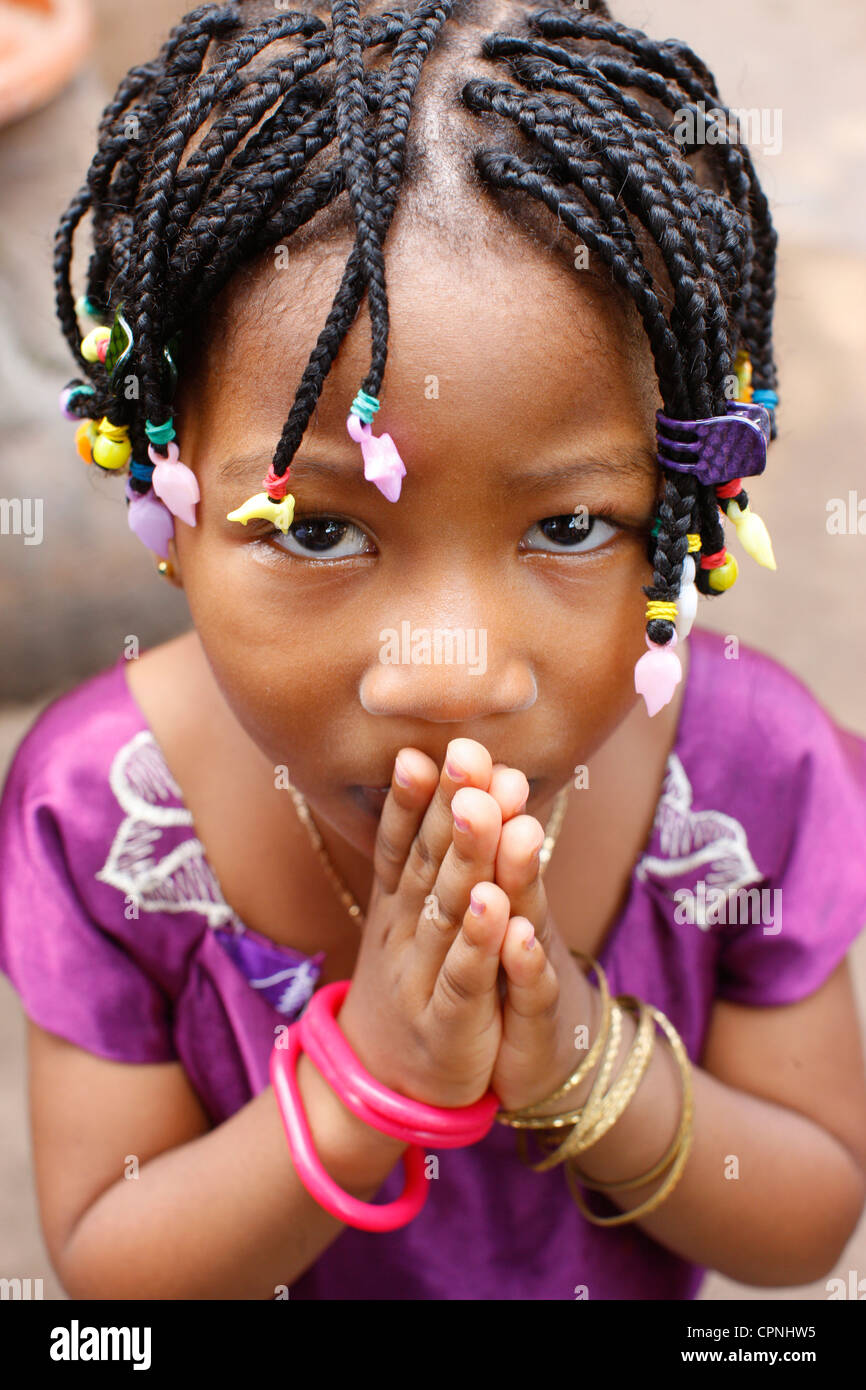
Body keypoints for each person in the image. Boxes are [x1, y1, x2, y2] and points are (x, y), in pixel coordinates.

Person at [2, 0, 865, 1300]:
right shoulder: (102, 815)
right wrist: (377, 1081)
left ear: (692, 508)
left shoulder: (750, 775)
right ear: (165, 493)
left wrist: (578, 1061)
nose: (450, 663)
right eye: (316, 527)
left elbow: (803, 1224)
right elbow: (115, 1272)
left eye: (570, 523)